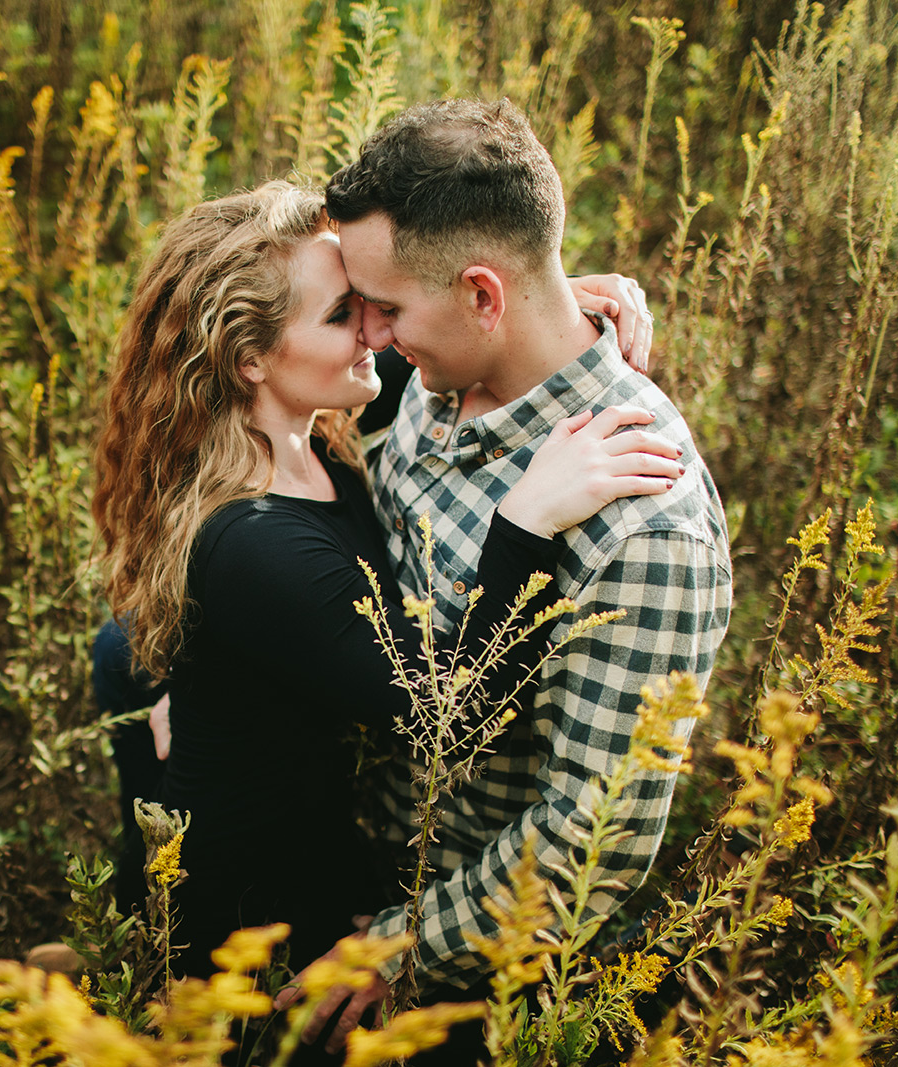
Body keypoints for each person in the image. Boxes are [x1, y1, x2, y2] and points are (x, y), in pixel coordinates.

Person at [90, 181, 686, 1002]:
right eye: (344, 314)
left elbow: (467, 334)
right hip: (252, 921)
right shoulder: (257, 539)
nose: (376, 331)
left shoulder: (304, 430)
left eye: (375, 305)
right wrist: (529, 519)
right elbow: (448, 716)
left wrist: (542, 304)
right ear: (250, 359)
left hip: (316, 838)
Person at [281, 98, 734, 1058]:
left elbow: (588, 838)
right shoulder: (444, 367)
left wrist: (400, 947)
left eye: (387, 308)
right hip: (344, 851)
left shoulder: (647, 530)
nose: (370, 334)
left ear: (485, 296)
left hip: (458, 975)